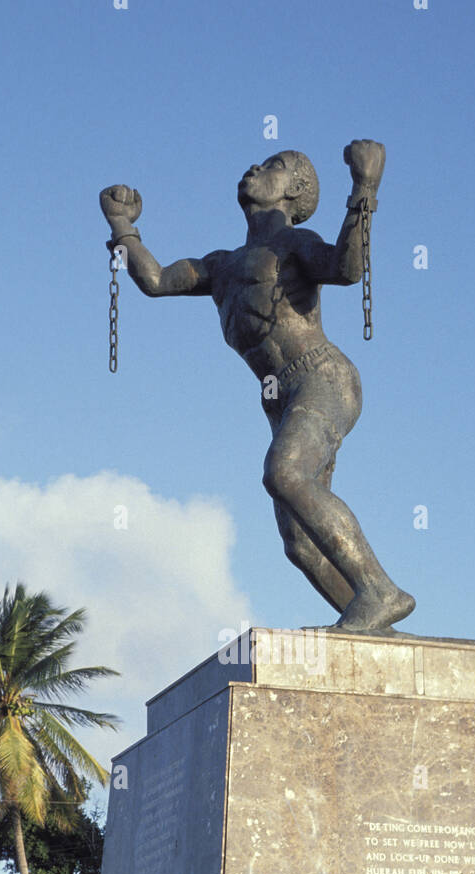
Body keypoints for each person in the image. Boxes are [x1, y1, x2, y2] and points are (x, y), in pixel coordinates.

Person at [100, 141, 415, 633]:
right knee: (299, 543)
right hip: (279, 397)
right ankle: (375, 631)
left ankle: (380, 591)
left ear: (294, 191)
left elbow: (346, 269)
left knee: (285, 473)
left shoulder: (296, 244)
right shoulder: (220, 265)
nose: (255, 167)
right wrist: (122, 226)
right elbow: (156, 280)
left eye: (274, 166)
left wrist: (364, 187)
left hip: (322, 377)